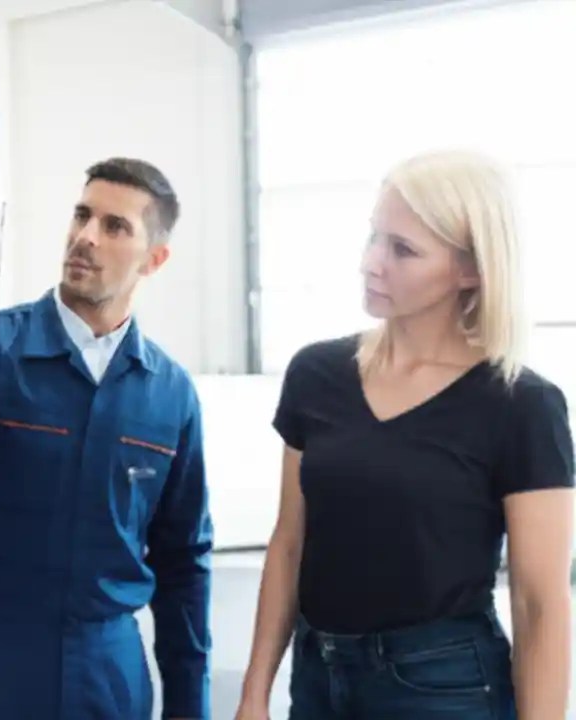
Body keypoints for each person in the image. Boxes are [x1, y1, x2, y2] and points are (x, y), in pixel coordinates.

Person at [0, 157, 213, 719]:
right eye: (81, 215)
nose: (85, 238)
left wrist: (188, 707)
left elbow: (184, 561)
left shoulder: (170, 396)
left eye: (114, 226)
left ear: (155, 259)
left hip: (108, 672)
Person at [235, 149, 575, 720]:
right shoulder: (315, 374)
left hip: (443, 687)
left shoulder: (522, 405)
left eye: (403, 249)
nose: (371, 262)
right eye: (374, 236)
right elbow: (290, 541)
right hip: (318, 678)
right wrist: (253, 694)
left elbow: (539, 603)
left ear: (471, 269)